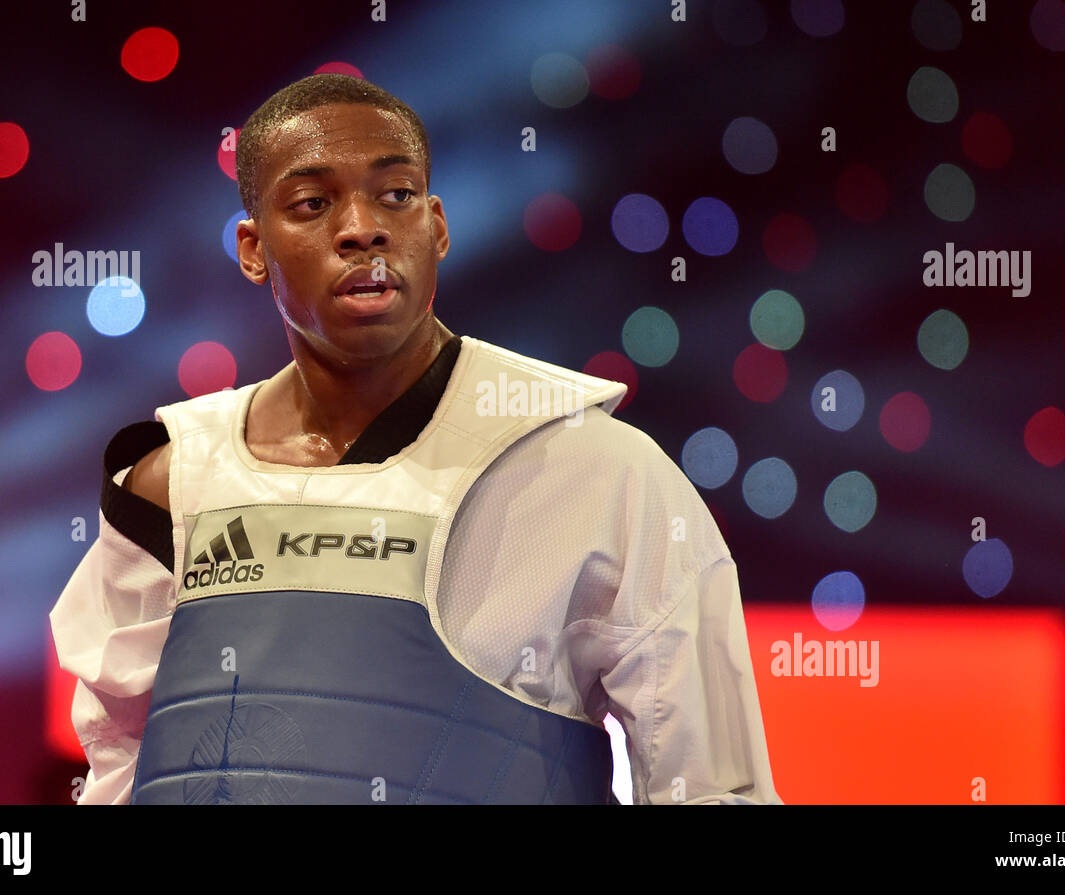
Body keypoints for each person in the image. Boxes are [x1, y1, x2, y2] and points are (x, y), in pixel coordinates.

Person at [49, 73, 781, 805]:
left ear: (436, 226)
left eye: (395, 195)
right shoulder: (170, 482)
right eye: (312, 203)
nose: (362, 227)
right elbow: (121, 764)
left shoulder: (597, 469)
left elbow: (716, 788)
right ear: (252, 247)